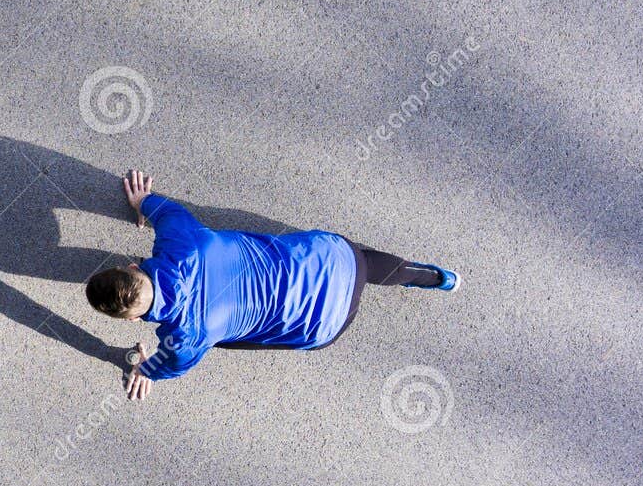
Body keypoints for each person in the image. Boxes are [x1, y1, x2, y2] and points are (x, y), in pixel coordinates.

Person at [87, 171, 459, 400]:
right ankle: (434, 278)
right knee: (362, 261)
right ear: (132, 266)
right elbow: (169, 213)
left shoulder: (186, 338)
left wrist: (144, 371)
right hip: (341, 262)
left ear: (134, 321)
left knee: (229, 337)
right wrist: (143, 203)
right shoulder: (183, 243)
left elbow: (171, 365)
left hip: (326, 325)